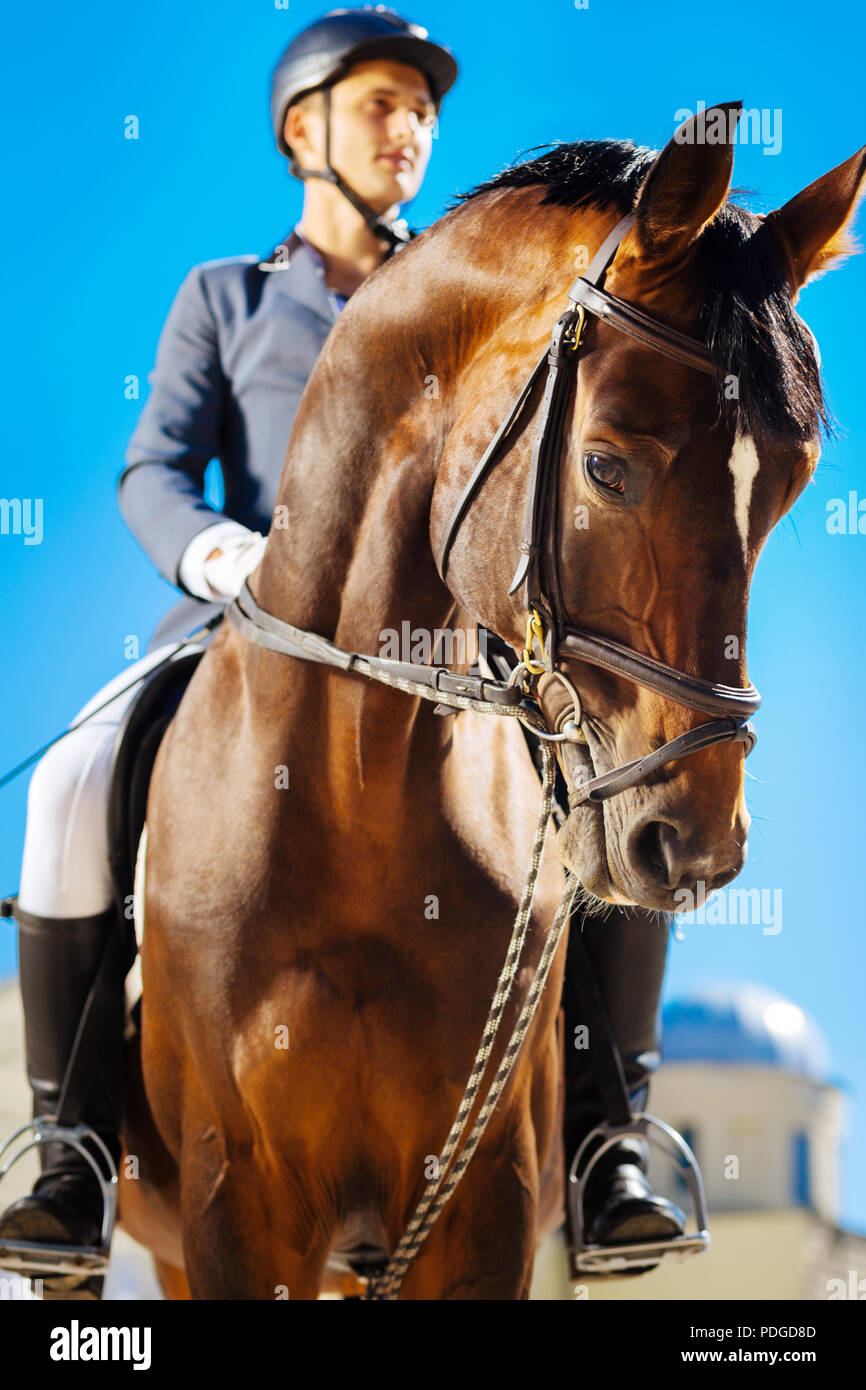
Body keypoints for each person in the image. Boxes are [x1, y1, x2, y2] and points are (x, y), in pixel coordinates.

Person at [0, 6, 686, 1297]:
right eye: (380, 104)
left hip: (436, 653)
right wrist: (220, 558)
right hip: (241, 626)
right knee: (71, 781)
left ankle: (608, 1138)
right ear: (301, 129)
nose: (409, 129)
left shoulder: (462, 299)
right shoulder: (229, 296)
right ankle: (72, 1148)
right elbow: (154, 466)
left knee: (594, 791)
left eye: (422, 110)